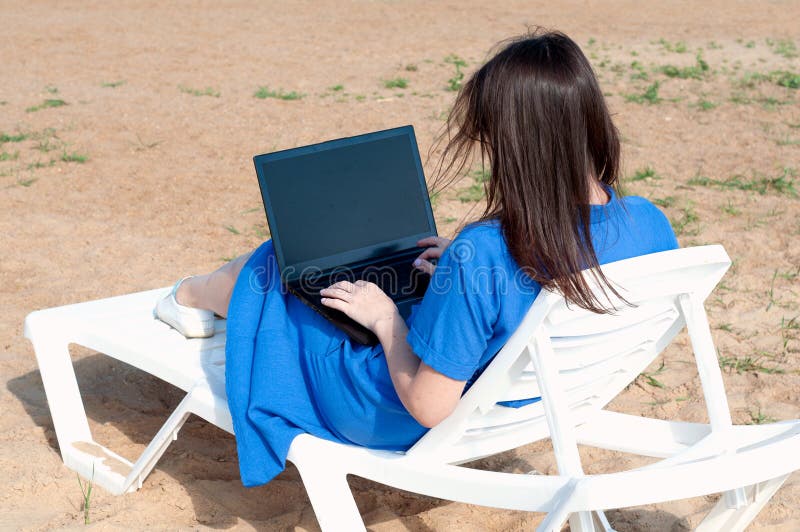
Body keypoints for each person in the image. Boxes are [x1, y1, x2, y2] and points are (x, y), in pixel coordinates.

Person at [155, 29, 679, 487]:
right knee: (317, 275)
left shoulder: (486, 252)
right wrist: (461, 268)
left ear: (517, 148)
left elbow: (429, 406)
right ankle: (200, 295)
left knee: (279, 267)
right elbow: (552, 269)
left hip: (386, 411)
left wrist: (385, 319)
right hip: (536, 396)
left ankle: (190, 295)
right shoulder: (649, 222)